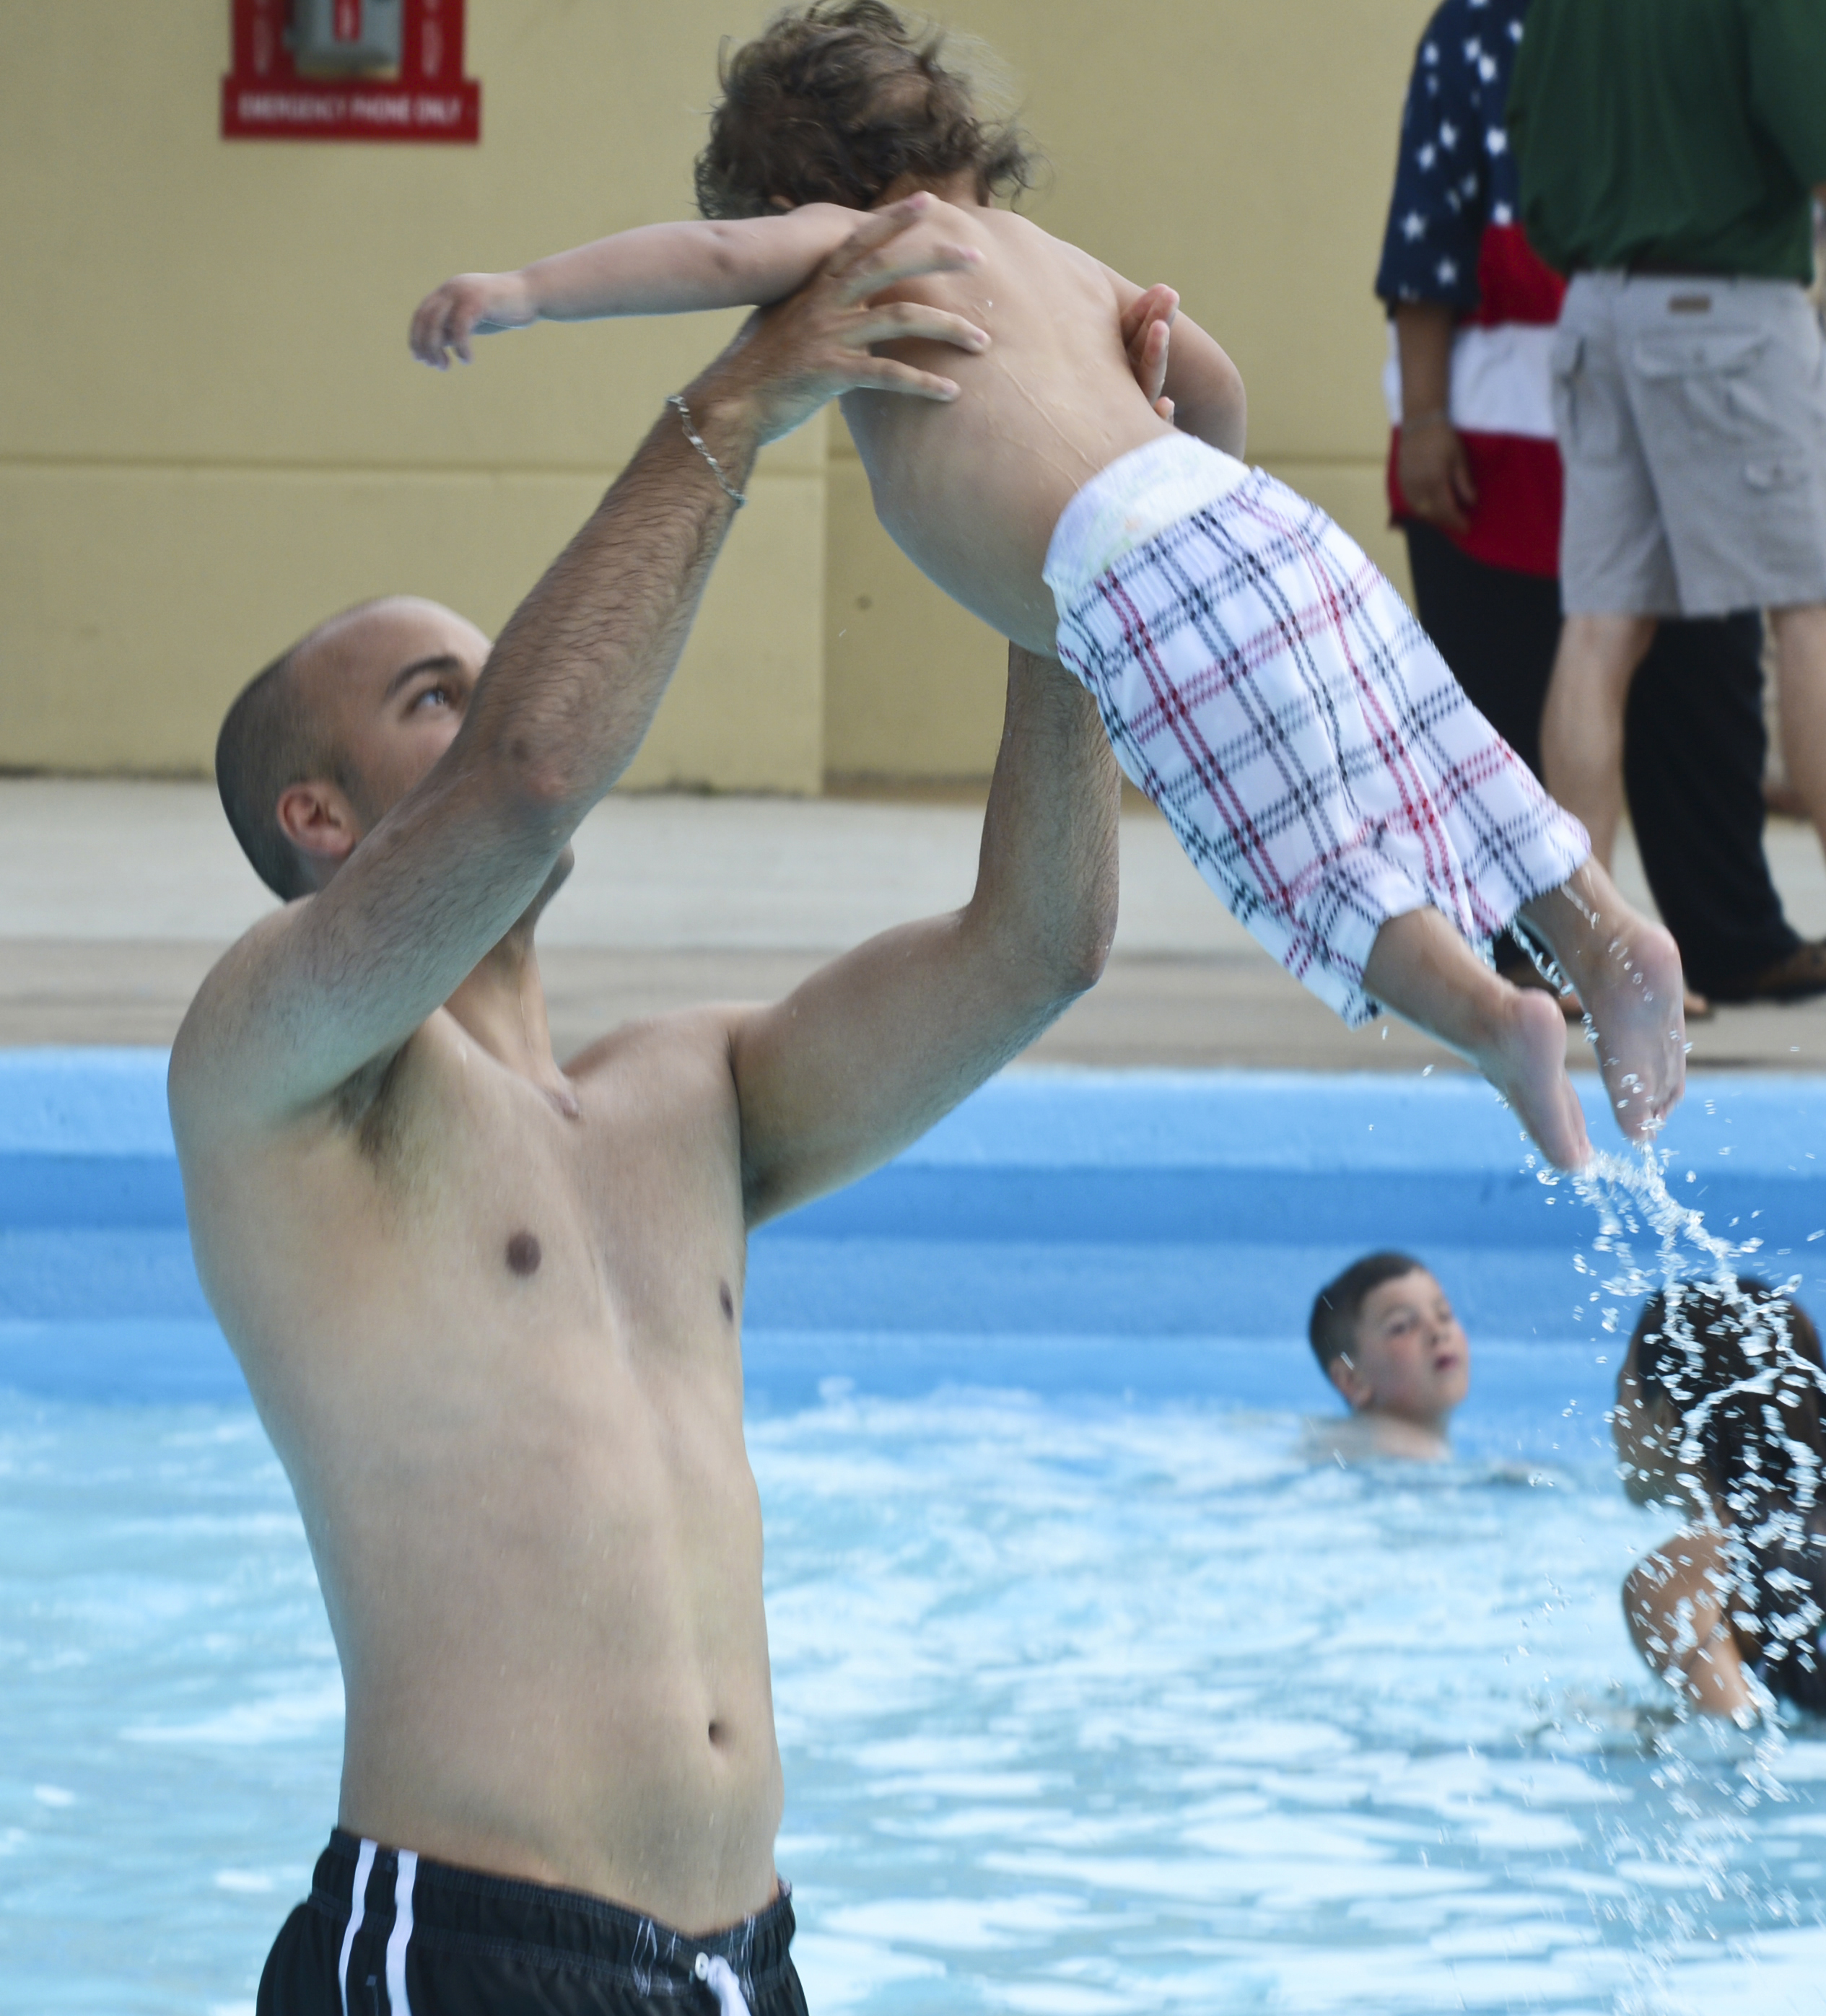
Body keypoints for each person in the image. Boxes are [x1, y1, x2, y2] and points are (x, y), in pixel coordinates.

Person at [171, 204, 1134, 2016]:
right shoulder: (278, 1072)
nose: (506, 694)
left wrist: (1066, 556)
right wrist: (742, 391)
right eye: (442, 685)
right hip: (457, 1975)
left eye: (490, 663)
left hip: (735, 1993)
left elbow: (1034, 951)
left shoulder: (687, 1094)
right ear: (321, 816)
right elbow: (530, 780)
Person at [407, 0, 1687, 1174]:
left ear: (793, 187)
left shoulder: (856, 239)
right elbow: (1218, 383)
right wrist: (1196, 494)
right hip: (1262, 523)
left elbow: (697, 258)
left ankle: (1491, 1017)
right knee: (1430, 750)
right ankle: (1606, 937)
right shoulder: (1052, 258)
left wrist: (525, 292)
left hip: (1139, 572)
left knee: (1300, 839)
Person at [1376, 0, 1826, 1016]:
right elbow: (1428, 233)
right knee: (1501, 702)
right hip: (1498, 436)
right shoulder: (1474, 29)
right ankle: (1534, 950)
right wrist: (1423, 417)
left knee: (1706, 683)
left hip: (1675, 405)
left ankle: (1725, 939)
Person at [1508, 0, 1826, 1031]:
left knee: (1600, 628)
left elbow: (1535, 163)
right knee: (1818, 610)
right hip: (1729, 318)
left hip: (1595, 312)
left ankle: (1586, 957)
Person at [1615, 1279, 1826, 1722]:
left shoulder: (1683, 1575)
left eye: (1621, 1395)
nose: (1613, 1424)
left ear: (1665, 1419)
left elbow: (1732, 1745)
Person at [1306, 1252, 1469, 1462]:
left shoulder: (1343, 1440)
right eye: (1401, 1327)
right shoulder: (1406, 1449)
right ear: (1351, 1379)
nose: (1438, 1332)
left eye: (1444, 1315)